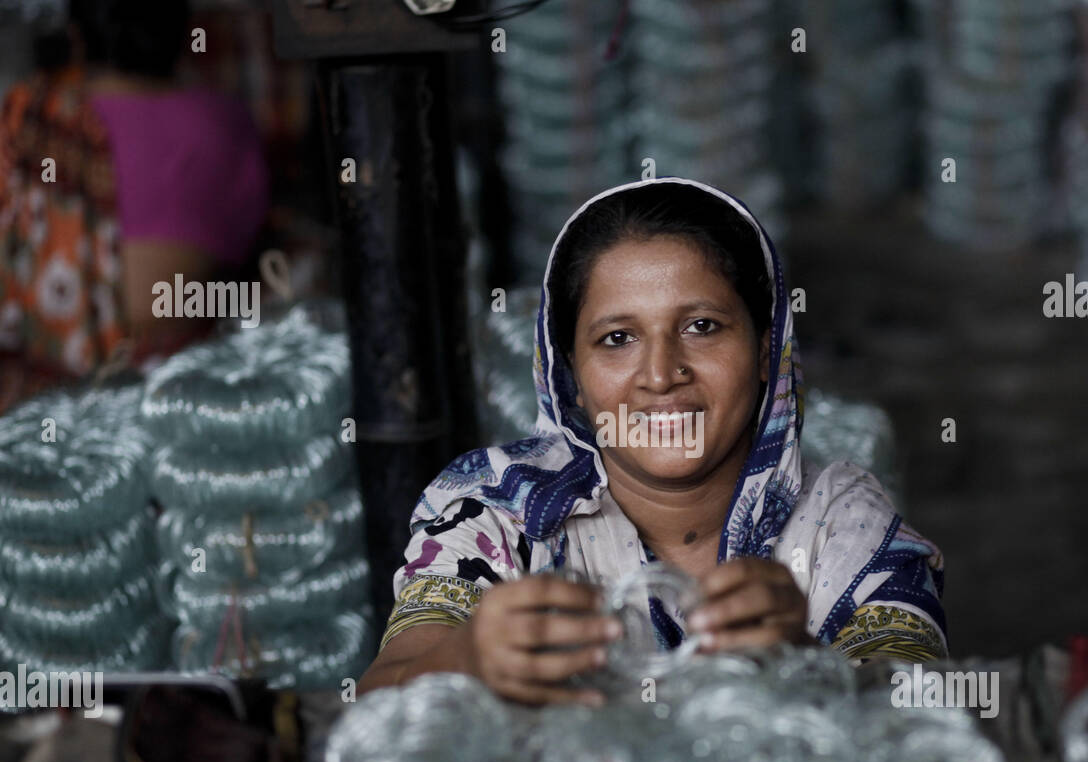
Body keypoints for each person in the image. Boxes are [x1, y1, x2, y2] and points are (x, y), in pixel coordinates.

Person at [359, 178, 947, 704]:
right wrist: (468, 660)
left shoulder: (842, 523)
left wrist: (803, 658)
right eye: (617, 338)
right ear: (572, 378)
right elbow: (369, 704)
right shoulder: (498, 510)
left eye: (702, 327)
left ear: (768, 351)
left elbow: (927, 723)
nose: (661, 375)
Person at [0, 0, 269, 414]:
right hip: (185, 395)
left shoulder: (34, 123)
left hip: (48, 406)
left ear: (75, 35)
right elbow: (241, 261)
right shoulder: (226, 125)